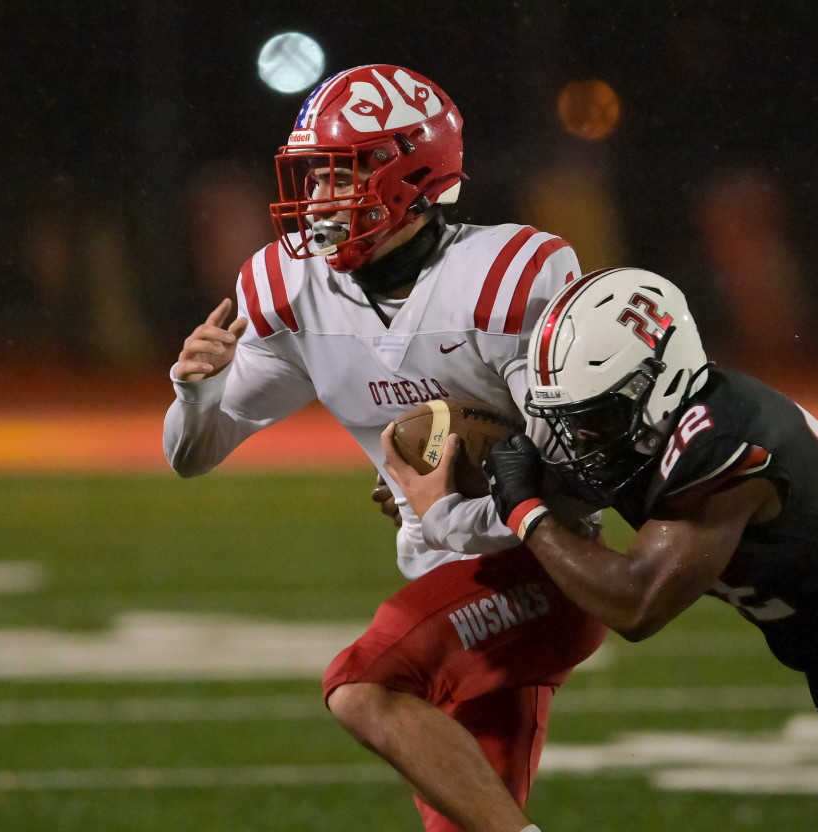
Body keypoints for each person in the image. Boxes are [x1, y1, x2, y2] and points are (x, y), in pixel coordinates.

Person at [384, 266, 818, 831]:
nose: (578, 438)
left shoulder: (720, 440)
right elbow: (543, 493)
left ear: (662, 381)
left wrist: (523, 506)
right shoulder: (647, 430)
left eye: (595, 417)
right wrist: (443, 491)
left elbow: (635, 604)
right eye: (570, 418)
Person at [164, 64, 607, 832]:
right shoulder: (290, 286)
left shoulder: (507, 280)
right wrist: (195, 390)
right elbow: (190, 454)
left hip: (543, 569)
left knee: (364, 682)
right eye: (314, 176)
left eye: (342, 173)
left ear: (410, 173)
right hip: (450, 573)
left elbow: (585, 475)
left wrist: (458, 500)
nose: (320, 198)